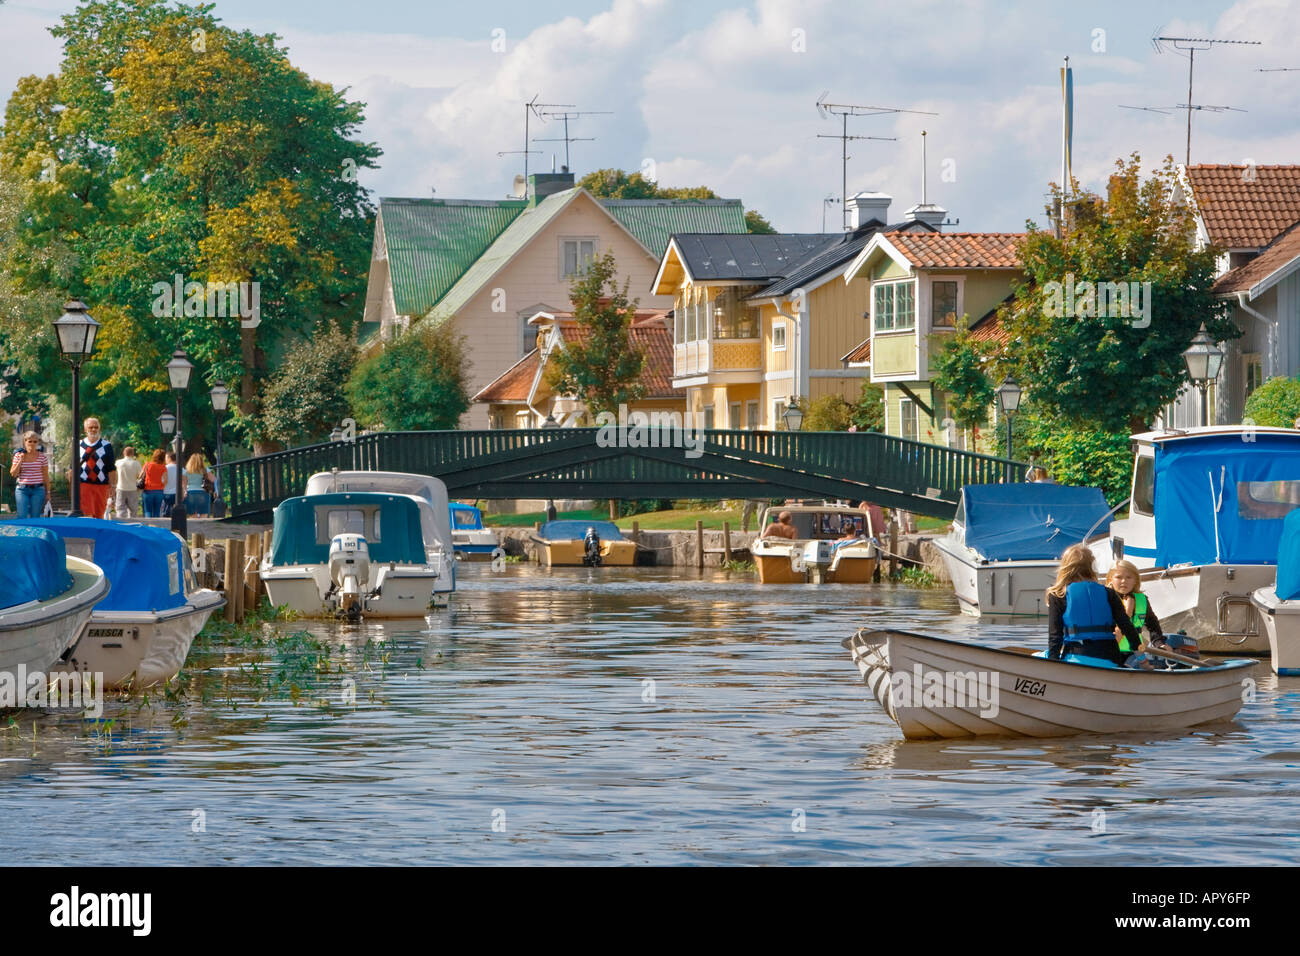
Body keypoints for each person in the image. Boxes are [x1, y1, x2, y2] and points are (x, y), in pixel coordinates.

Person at [1046, 544, 1142, 666]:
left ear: (1065, 567)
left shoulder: (1058, 594)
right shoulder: (1109, 593)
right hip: (1110, 658)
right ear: (1091, 566)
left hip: (1076, 657)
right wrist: (1142, 659)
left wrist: (1051, 664)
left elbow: (1055, 636)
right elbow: (1128, 628)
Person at [1106, 560, 1201, 666]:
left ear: (1135, 581)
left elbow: (1153, 625)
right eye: (1119, 577)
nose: (1124, 581)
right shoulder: (1105, 599)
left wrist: (1159, 644)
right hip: (1110, 651)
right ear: (1110, 580)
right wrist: (1128, 611)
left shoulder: (1142, 600)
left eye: (1129, 577)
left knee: (1139, 665)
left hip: (1134, 654)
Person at [69, 417, 115, 519]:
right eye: (90, 427)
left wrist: (113, 487)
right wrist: (72, 487)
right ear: (85, 429)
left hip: (101, 485)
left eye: (96, 427)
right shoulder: (78, 445)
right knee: (86, 514)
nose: (93, 429)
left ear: (99, 428)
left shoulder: (106, 446)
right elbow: (72, 468)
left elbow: (111, 468)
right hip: (84, 485)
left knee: (100, 515)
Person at [10, 431, 51, 519]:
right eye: (30, 441)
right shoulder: (18, 455)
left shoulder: (42, 457)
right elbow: (13, 473)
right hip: (22, 490)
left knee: (35, 517)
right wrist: (20, 460)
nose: (32, 444)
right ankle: (21, 533)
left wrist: (48, 492)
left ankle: (35, 533)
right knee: (22, 516)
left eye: (35, 441)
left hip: (38, 490)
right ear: (25, 442)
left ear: (37, 443)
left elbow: (45, 476)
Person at [114, 445, 143, 518]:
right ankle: (132, 524)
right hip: (132, 488)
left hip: (121, 488)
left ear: (124, 453)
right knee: (133, 510)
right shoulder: (136, 463)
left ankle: (121, 524)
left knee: (120, 509)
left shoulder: (118, 462)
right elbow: (140, 476)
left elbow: (114, 474)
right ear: (133, 454)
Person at [141, 449, 168, 517]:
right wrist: (161, 485)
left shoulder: (147, 465)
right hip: (159, 490)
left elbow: (140, 476)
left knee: (148, 511)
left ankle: (148, 526)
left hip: (148, 490)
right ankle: (156, 526)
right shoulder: (163, 467)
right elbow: (165, 481)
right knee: (157, 511)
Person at [162, 451, 179, 516]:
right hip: (176, 493)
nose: (165, 459)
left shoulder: (164, 468)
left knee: (165, 511)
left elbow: (162, 480)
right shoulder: (181, 469)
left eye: (166, 458)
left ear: (169, 458)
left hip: (165, 491)